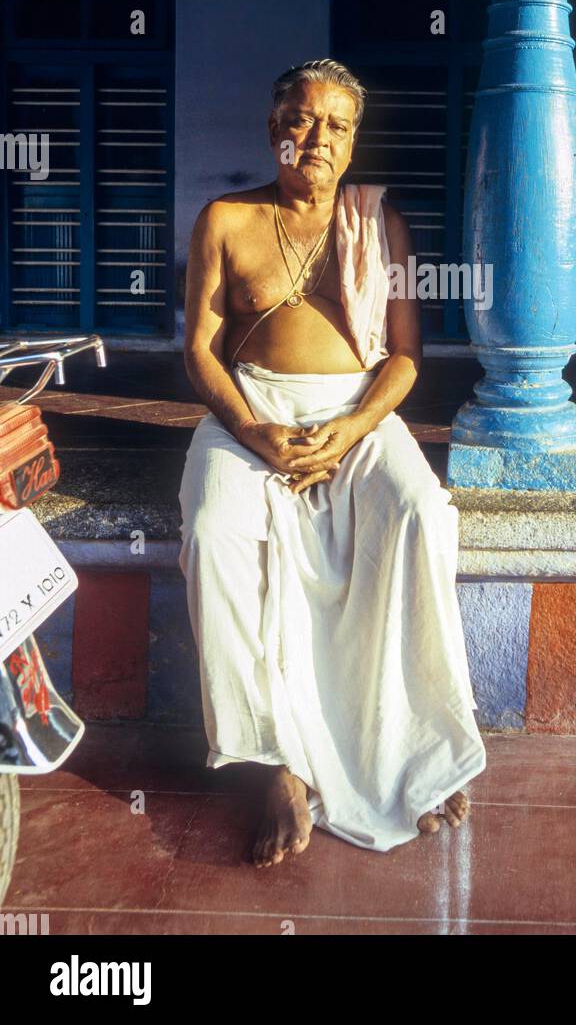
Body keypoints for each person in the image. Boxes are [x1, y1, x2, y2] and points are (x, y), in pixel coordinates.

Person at [178, 57, 486, 865]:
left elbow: (407, 360)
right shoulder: (225, 219)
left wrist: (349, 434)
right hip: (250, 412)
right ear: (273, 128)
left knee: (419, 514)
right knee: (213, 531)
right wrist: (253, 434)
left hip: (356, 415)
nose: (316, 139)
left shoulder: (381, 225)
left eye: (337, 126)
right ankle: (273, 763)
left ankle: (417, 749)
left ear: (354, 142)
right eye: (301, 120)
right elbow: (201, 355)